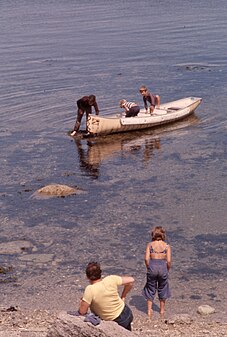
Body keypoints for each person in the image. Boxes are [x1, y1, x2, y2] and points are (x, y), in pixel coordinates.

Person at [78, 261, 134, 331]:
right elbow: (131, 280)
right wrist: (123, 296)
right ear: (100, 273)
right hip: (127, 312)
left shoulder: (90, 289)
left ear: (87, 277)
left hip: (116, 320)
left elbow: (82, 312)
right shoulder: (110, 279)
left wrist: (83, 302)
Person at [143, 226, 171, 318]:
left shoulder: (150, 245)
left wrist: (148, 267)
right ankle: (162, 311)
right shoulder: (166, 246)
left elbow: (146, 259)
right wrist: (167, 269)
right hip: (163, 267)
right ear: (163, 235)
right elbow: (169, 261)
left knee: (150, 287)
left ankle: (149, 311)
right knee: (163, 287)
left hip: (152, 267)